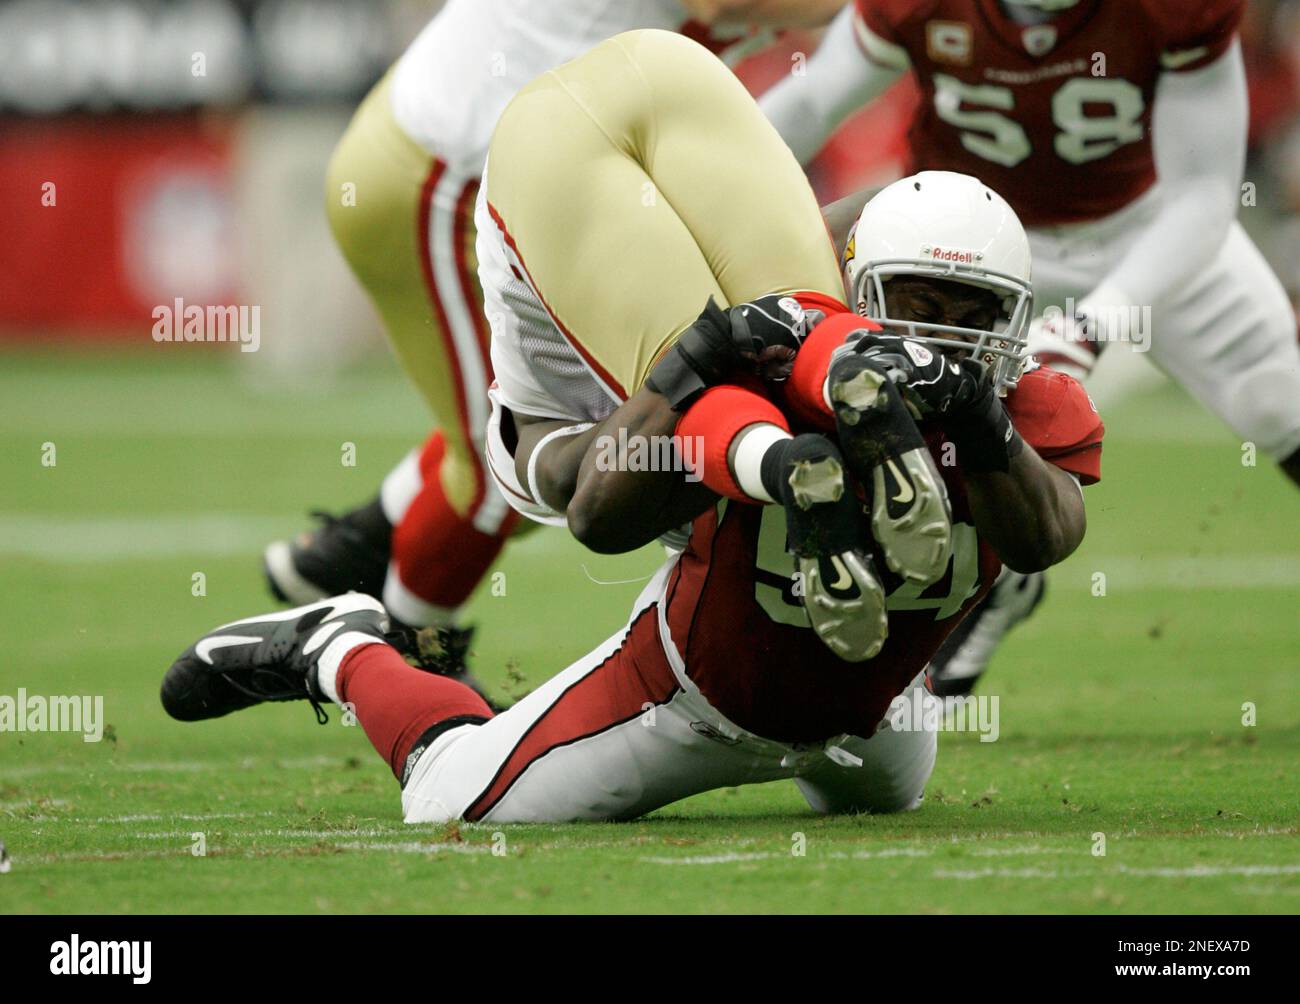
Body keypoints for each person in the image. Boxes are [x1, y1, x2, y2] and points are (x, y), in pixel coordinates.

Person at [161, 31, 1100, 824]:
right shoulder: (754, 359)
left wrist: (975, 418)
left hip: (869, 703)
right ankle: (344, 643)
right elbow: (598, 509)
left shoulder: (1014, 403)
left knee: (892, 785)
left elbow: (1049, 532)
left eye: (974, 315)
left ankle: (785, 435)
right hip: (678, 674)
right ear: (860, 293)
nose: (944, 336)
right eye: (918, 305)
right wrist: (714, 375)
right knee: (450, 800)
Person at [261, 0, 847, 688]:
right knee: (515, 465)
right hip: (440, 173)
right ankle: (409, 659)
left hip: (511, 161)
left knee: (589, 427)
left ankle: (358, 542)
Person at [759, 0, 1300, 696]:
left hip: (1149, 227)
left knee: (1280, 406)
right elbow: (809, 102)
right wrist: (712, 189)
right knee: (889, 407)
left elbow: (1202, 198)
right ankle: (970, 594)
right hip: (955, 248)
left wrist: (1089, 325)